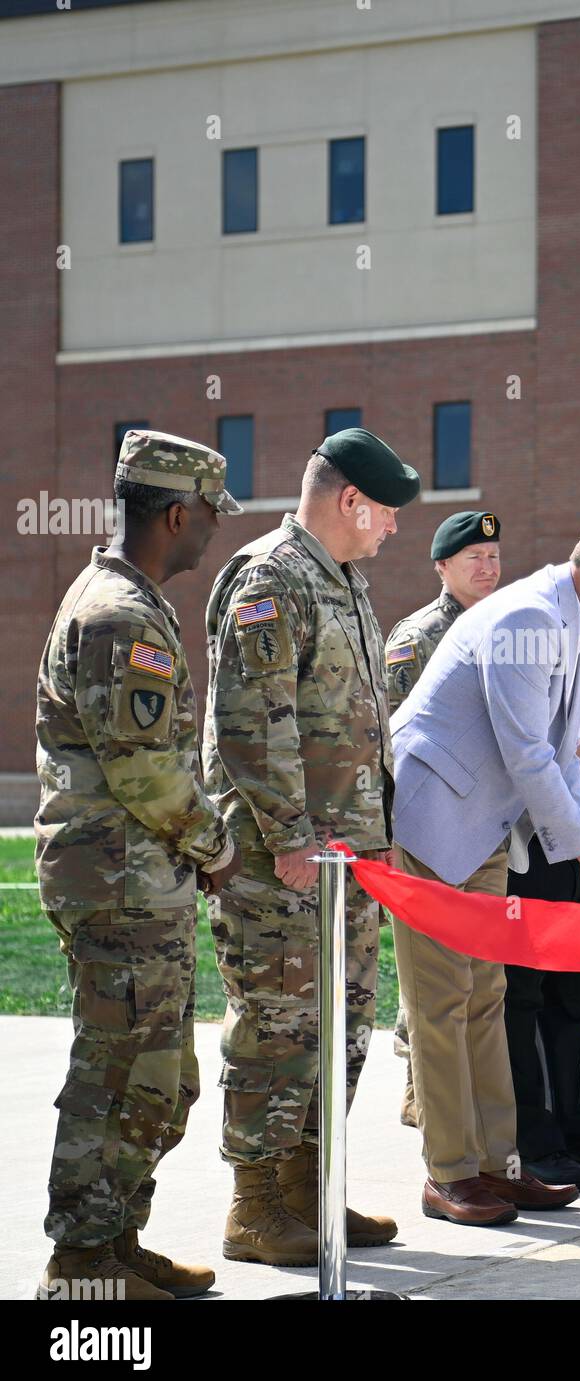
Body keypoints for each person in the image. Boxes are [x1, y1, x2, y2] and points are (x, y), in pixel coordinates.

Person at [390, 501, 580, 1227]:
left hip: (483, 829)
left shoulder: (577, 627)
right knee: (442, 1002)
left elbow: (561, 756)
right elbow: (528, 753)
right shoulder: (527, 620)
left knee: (486, 995)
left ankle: (498, 1164)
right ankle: (450, 1174)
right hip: (434, 819)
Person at [203, 427, 419, 1265]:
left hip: (350, 859)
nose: (394, 526)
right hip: (282, 861)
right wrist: (291, 837)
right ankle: (255, 1206)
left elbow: (362, 727)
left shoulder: (347, 584)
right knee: (278, 1026)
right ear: (349, 501)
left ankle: (308, 1189)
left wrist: (383, 834)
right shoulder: (271, 579)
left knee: (343, 1026)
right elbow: (253, 721)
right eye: (386, 511)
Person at [35, 428, 243, 1301]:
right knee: (119, 1074)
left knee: (160, 1077)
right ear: (173, 512)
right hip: (118, 884)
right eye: (206, 518)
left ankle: (117, 1243)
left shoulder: (127, 602)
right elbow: (146, 770)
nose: (211, 534)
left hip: (133, 884)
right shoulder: (120, 617)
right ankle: (81, 1264)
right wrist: (217, 845)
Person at [384, 510, 502, 1126]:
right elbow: (398, 737)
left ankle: (457, 1089)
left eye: (494, 558)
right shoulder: (419, 636)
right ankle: (418, 1081)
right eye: (474, 559)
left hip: (484, 822)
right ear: (442, 567)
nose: (488, 568)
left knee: (474, 967)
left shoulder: (506, 630)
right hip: (429, 821)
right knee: (431, 963)